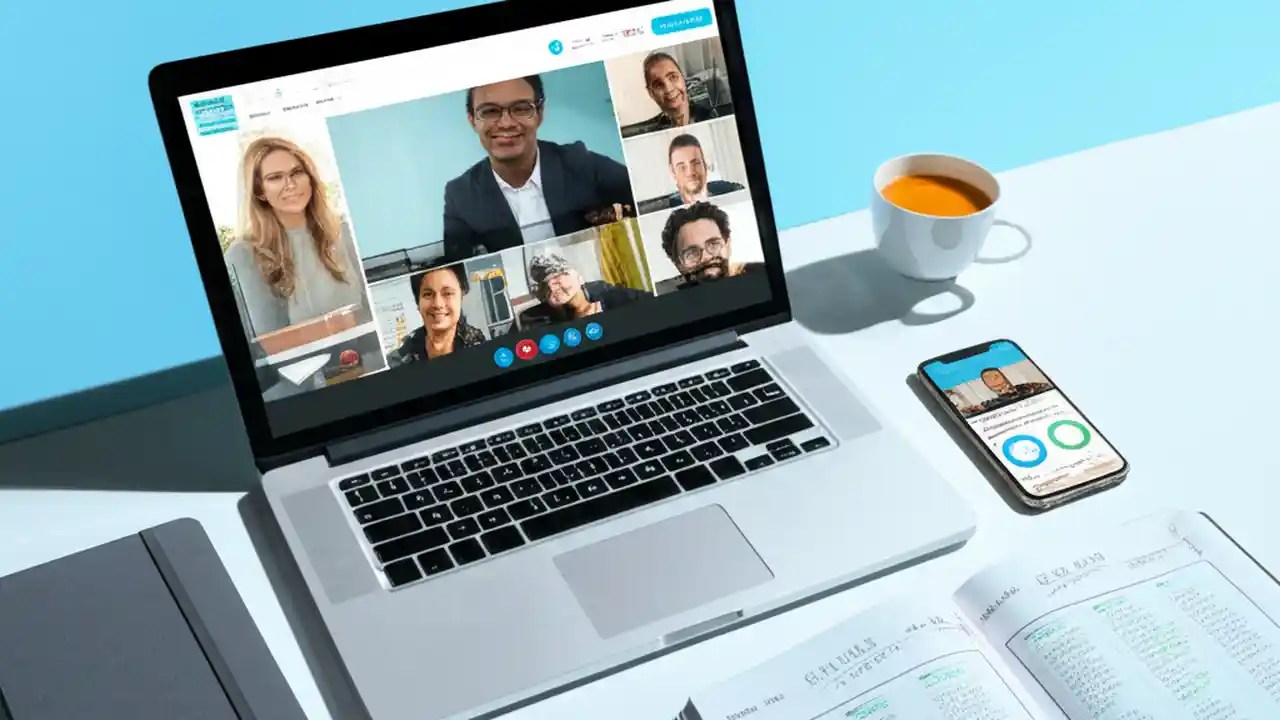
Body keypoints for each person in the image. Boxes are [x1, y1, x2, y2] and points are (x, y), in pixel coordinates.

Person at [442, 75, 636, 260]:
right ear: (472, 120)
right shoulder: (460, 195)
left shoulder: (578, 162)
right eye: (490, 111)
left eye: (521, 108)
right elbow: (459, 273)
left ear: (540, 113)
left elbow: (643, 194)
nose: (506, 123)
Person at [224, 136, 368, 339]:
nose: (290, 184)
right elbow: (268, 341)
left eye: (296, 172)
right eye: (275, 178)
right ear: (259, 191)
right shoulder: (243, 254)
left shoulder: (345, 230)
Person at [388, 263, 487, 366]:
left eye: (448, 293)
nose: (438, 304)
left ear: (461, 297)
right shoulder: (404, 353)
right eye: (428, 294)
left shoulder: (475, 341)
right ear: (418, 304)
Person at [517, 251, 647, 328]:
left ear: (578, 277)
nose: (551, 286)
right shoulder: (531, 318)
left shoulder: (613, 297)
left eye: (557, 277)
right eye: (544, 284)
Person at [660, 201, 763, 289]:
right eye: (691, 253)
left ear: (728, 245)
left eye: (713, 244)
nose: (706, 257)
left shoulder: (761, 276)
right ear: (678, 263)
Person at [620, 52, 720, 137]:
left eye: (673, 77)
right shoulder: (651, 134)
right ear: (651, 93)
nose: (668, 89)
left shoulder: (710, 117)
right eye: (658, 85)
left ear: (683, 79)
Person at [663, 133, 744, 208]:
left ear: (705, 165)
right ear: (673, 172)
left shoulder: (732, 191)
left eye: (696, 163)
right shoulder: (669, 209)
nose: (690, 172)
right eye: (682, 167)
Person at [978, 367, 1051, 410]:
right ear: (986, 384)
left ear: (1004, 377)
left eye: (996, 376)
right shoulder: (989, 404)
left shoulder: (1030, 387)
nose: (992, 380)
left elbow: (1048, 389)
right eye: (987, 379)